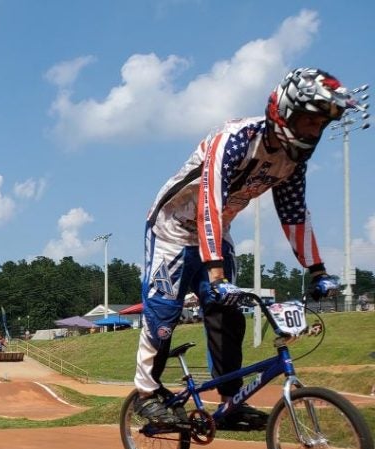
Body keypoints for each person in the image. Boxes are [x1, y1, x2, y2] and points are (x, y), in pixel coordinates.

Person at [133, 67, 350, 430]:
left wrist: (318, 271)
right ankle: (145, 393)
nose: (314, 132)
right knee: (164, 314)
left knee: (228, 315)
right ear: (284, 112)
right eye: (308, 121)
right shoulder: (234, 138)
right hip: (173, 229)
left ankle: (230, 399)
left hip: (217, 234)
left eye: (320, 125)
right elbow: (210, 201)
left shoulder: (291, 161)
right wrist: (215, 271)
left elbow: (294, 213)